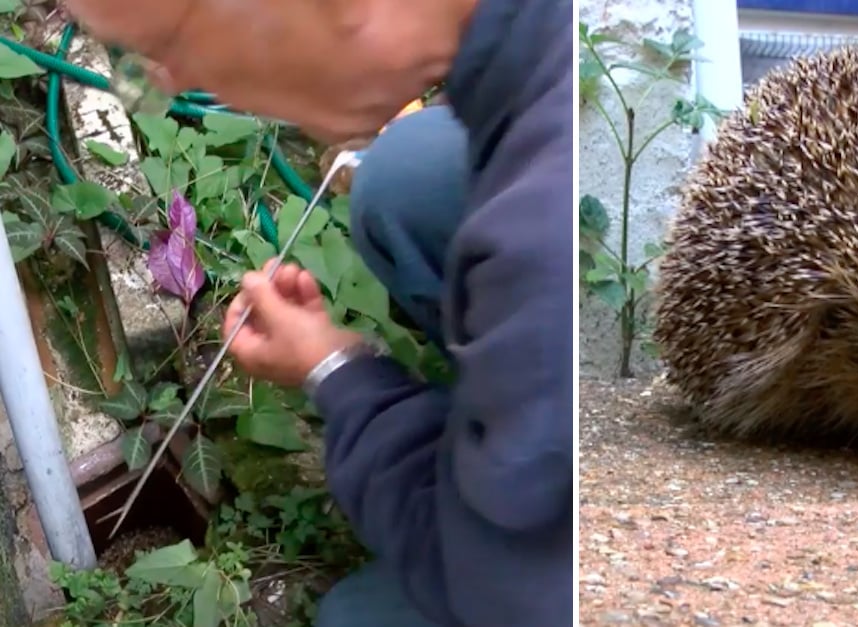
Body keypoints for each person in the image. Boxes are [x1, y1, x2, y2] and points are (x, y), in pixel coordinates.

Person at [62, 0, 575, 625]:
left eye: (172, 47)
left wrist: (341, 374)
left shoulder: (534, 242)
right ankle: (494, 441)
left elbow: (502, 585)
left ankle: (502, 471)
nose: (185, 82)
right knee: (411, 174)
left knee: (356, 616)